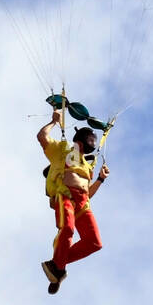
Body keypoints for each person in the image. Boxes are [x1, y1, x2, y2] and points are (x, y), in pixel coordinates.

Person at [37, 109, 110, 294]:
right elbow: (41, 136)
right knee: (67, 229)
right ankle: (58, 269)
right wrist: (54, 121)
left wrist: (100, 179)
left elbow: (87, 192)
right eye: (91, 139)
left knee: (95, 243)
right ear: (81, 138)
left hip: (83, 204)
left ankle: (57, 264)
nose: (93, 142)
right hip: (66, 197)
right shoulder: (61, 150)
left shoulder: (87, 165)